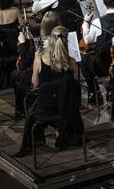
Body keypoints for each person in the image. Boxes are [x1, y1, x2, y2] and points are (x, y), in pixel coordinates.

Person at [14, 25, 84, 157]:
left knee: (30, 103)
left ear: (50, 40)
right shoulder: (72, 62)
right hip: (68, 110)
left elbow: (34, 86)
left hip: (46, 109)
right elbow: (75, 87)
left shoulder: (39, 59)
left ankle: (38, 139)